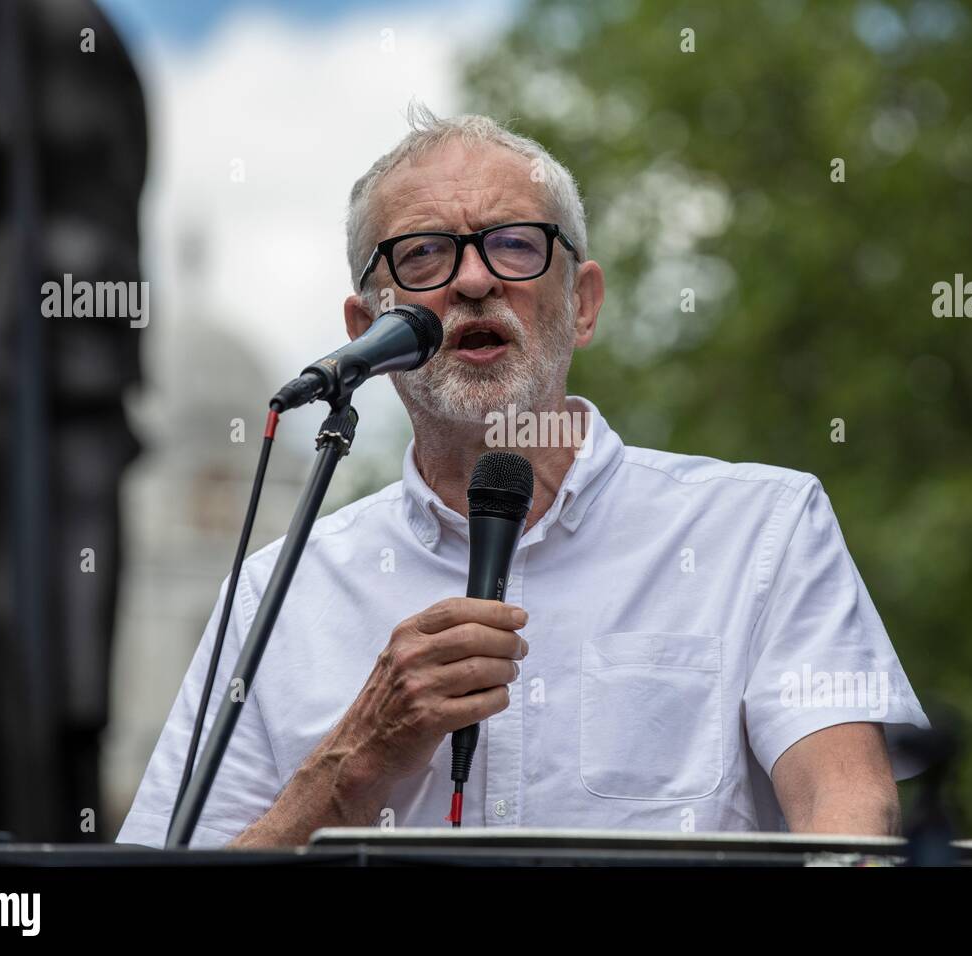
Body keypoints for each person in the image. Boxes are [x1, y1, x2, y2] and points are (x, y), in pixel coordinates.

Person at [117, 105, 929, 848]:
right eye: (425, 253)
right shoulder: (273, 597)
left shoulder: (763, 529)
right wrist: (352, 768)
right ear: (367, 329)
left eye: (512, 242)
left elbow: (850, 815)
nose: (474, 280)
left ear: (581, 301)